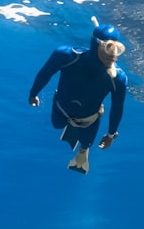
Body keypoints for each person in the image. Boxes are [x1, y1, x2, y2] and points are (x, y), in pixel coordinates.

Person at [28, 17, 128, 174]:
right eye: (109, 48)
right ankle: (78, 137)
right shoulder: (67, 56)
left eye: (118, 49)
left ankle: (82, 153)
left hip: (88, 119)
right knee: (57, 125)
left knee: (86, 143)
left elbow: (117, 107)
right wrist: (33, 93)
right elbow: (45, 74)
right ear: (96, 45)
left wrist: (111, 134)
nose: (113, 55)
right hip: (61, 110)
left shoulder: (118, 79)